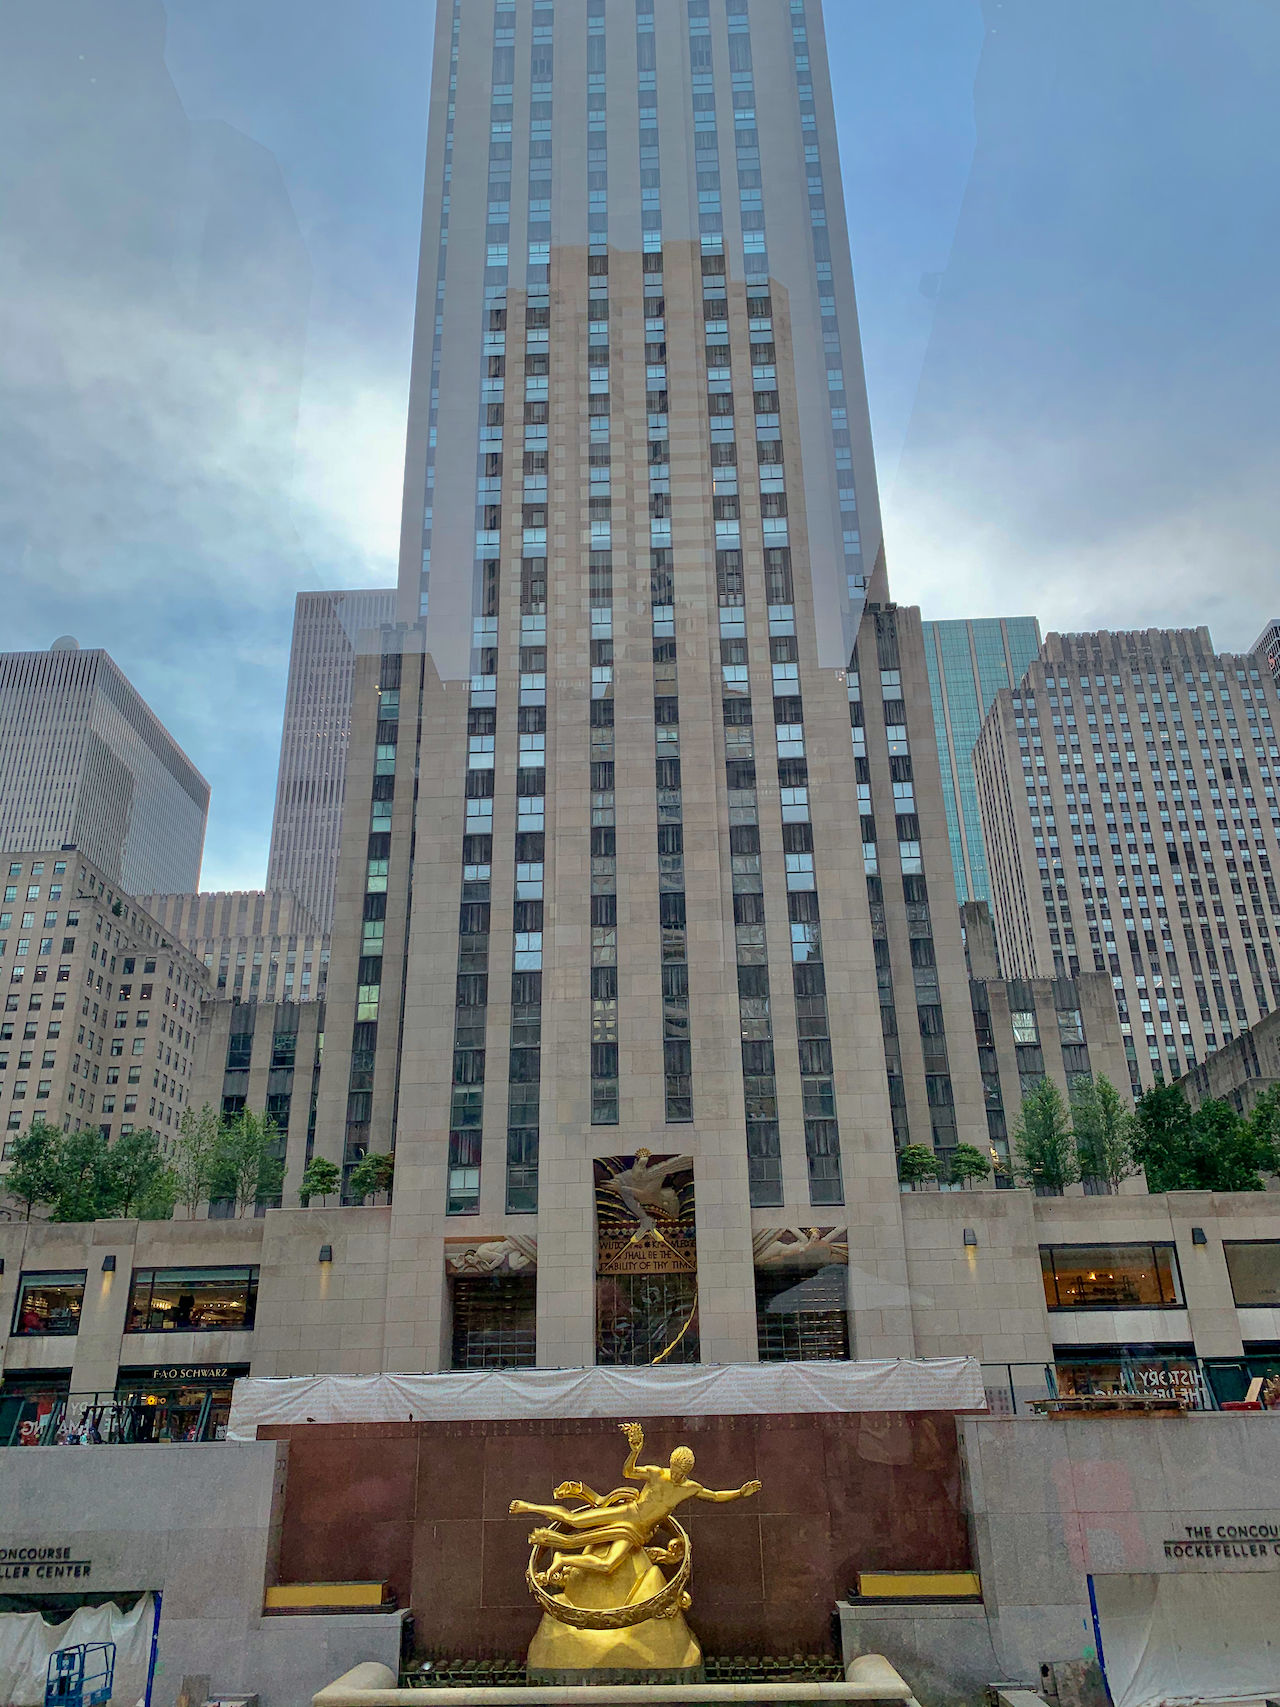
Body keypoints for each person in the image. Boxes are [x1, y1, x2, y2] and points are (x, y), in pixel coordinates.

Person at [510, 1421, 760, 1586]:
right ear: (670, 1463)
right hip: (627, 1512)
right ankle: (528, 1507)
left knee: (608, 1564)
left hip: (637, 1532)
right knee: (574, 1520)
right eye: (674, 1469)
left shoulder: (689, 1488)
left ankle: (563, 1559)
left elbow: (714, 1496)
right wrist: (636, 1449)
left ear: (688, 1471)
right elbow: (628, 1472)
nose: (676, 1475)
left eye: (681, 1472)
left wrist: (739, 1492)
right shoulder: (655, 1473)